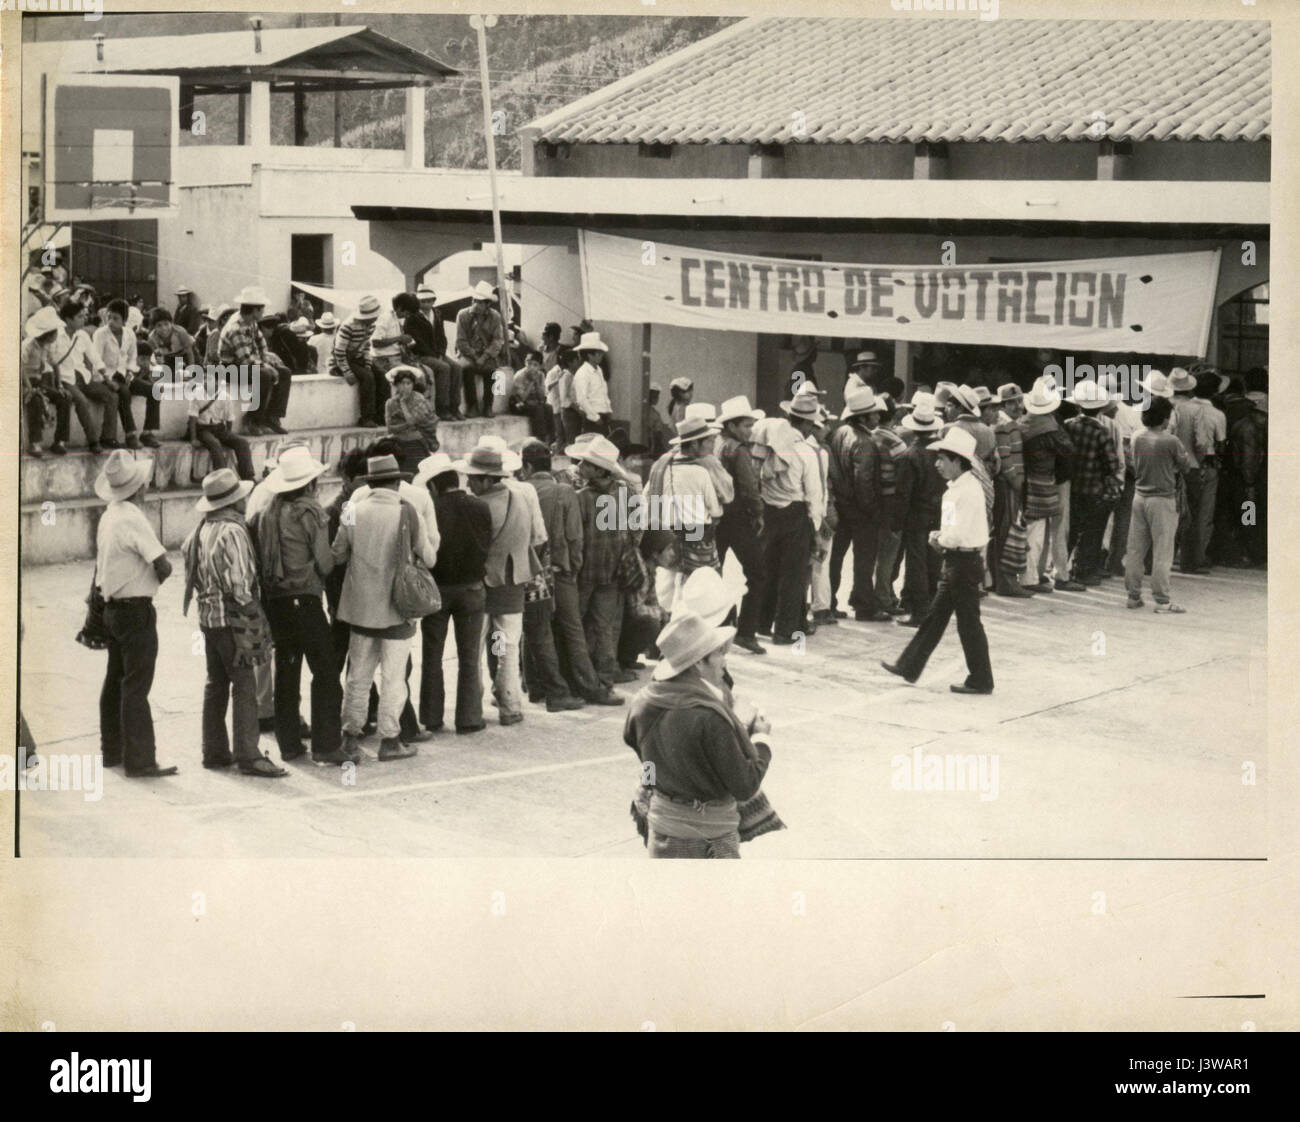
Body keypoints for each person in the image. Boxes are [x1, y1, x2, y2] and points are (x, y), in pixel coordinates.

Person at [623, 611, 773, 859]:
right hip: (709, 841)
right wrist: (760, 738)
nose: (724, 661)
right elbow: (745, 785)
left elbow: (645, 756)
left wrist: (654, 786)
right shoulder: (710, 717)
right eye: (719, 653)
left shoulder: (642, 701)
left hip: (661, 832)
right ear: (698, 663)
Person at [182, 468, 287, 777]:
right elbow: (240, 584)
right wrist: (254, 614)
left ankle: (214, 751)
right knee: (244, 685)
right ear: (233, 501)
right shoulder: (233, 532)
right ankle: (248, 754)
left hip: (209, 618)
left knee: (215, 683)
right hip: (232, 618)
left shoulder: (201, 529)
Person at [332, 454, 438, 759]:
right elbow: (430, 558)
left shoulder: (352, 510)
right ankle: (390, 740)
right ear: (396, 482)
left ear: (370, 483)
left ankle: (350, 737)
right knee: (394, 678)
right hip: (397, 607)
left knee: (358, 677)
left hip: (360, 608)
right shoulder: (408, 512)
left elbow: (338, 554)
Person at [251, 449, 351, 765]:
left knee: (287, 670)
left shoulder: (266, 514)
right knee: (325, 671)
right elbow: (324, 563)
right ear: (309, 484)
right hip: (305, 601)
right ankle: (326, 745)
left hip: (276, 603)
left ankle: (290, 743)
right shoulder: (309, 513)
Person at [882, 427, 994, 695]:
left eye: (942, 459)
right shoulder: (962, 487)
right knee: (936, 618)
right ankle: (909, 665)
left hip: (962, 562)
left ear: (957, 461)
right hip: (961, 561)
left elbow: (956, 534)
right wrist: (943, 537)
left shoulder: (961, 492)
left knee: (968, 625)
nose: (937, 464)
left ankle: (981, 679)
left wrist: (939, 539)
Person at [518, 440, 624, 706]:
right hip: (561, 570)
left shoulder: (519, 491)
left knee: (530, 630)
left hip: (527, 573)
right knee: (573, 629)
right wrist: (573, 567)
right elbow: (575, 538)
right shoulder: (565, 492)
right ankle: (590, 686)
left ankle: (533, 685)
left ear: (526, 466)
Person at [93, 450, 178, 778]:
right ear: (137, 487)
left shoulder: (109, 515)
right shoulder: (132, 517)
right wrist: (153, 575)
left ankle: (111, 750)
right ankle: (140, 759)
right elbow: (163, 565)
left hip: (112, 608)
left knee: (115, 679)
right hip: (135, 610)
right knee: (136, 686)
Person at [452, 444, 543, 725]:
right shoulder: (522, 497)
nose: (468, 483)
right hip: (514, 581)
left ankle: (473, 709)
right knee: (506, 647)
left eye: (472, 478)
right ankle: (510, 706)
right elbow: (536, 539)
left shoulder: (478, 507)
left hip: (482, 583)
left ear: (486, 479)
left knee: (474, 650)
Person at [417, 453, 491, 734]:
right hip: (472, 588)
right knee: (469, 657)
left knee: (432, 654)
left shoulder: (432, 509)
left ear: (433, 485)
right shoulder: (481, 506)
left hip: (438, 590)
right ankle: (470, 718)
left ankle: (432, 717)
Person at [753, 391, 823, 643]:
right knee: (792, 575)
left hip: (770, 511)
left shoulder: (770, 446)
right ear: (806, 424)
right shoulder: (805, 451)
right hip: (795, 513)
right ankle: (785, 630)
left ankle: (762, 622)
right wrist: (816, 528)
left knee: (769, 569)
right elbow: (813, 494)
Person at [569, 435, 638, 689]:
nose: (579, 466)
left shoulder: (581, 497)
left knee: (577, 623)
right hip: (614, 570)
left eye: (586, 464)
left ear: (599, 471)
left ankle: (579, 675)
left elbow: (576, 536)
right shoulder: (626, 491)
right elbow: (637, 527)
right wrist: (627, 549)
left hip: (585, 571)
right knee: (605, 625)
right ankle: (606, 673)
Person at [642, 414, 726, 616]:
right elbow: (715, 509)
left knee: (666, 585)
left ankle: (666, 622)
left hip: (666, 535)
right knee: (695, 589)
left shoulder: (659, 467)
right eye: (708, 441)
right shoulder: (700, 472)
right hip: (696, 535)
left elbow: (645, 499)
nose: (711, 445)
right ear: (694, 444)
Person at [1124, 395, 1197, 612]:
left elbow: (1132, 463)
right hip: (1163, 499)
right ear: (1165, 418)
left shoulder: (1137, 436)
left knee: (1135, 550)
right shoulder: (1171, 441)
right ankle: (1162, 600)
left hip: (1139, 496)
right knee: (1163, 552)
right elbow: (1185, 466)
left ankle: (1133, 596)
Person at [827, 385, 889, 622]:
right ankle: (864, 605)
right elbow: (863, 481)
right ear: (862, 417)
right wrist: (872, 509)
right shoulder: (865, 442)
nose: (878, 417)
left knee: (836, 558)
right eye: (874, 414)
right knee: (864, 560)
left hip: (841, 505)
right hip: (860, 510)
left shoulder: (839, 433)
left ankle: (829, 602)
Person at [50, 297, 140, 454]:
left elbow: (95, 358)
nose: (84, 319)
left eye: (84, 315)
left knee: (112, 396)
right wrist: (57, 383)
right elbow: (51, 361)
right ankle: (93, 441)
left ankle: (108, 437)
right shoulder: (56, 336)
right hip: (65, 378)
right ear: (68, 320)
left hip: (83, 377)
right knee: (82, 401)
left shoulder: (82, 335)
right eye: (80, 316)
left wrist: (107, 379)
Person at [715, 396, 767, 653]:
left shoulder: (716, 444)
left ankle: (720, 626)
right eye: (746, 425)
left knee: (714, 574)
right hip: (737, 518)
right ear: (732, 425)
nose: (750, 430)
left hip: (715, 518)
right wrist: (758, 513)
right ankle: (746, 632)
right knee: (757, 573)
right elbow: (749, 487)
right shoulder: (739, 450)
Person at [1017, 377, 1074, 594]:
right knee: (1038, 533)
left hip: (1025, 479)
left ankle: (1035, 574)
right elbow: (1067, 450)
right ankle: (1030, 578)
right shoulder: (1050, 428)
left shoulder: (1023, 423)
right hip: (1043, 483)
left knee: (1032, 530)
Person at [893, 394, 947, 626]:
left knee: (916, 563)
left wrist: (897, 521)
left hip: (917, 514)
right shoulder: (941, 452)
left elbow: (903, 494)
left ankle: (920, 612)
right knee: (933, 561)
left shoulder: (910, 456)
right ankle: (931, 608)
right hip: (938, 512)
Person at [1063, 380, 1122, 585]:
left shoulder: (1068, 425)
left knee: (1070, 530)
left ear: (1078, 406)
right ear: (1100, 408)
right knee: (1092, 532)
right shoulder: (1101, 431)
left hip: (1071, 486)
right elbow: (1112, 464)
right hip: (1094, 489)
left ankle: (1061, 568)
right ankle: (1083, 571)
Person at [219, 286, 289, 437]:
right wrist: (266, 366)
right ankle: (252, 420)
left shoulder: (251, 321)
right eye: (262, 309)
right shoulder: (235, 327)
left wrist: (267, 358)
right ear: (255, 310)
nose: (263, 312)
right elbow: (245, 359)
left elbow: (260, 344)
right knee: (264, 375)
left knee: (284, 372)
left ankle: (272, 416)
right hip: (229, 368)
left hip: (245, 364)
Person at [93, 298, 161, 449]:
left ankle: (148, 433)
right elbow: (96, 360)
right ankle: (131, 435)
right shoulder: (100, 334)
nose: (111, 321)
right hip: (106, 376)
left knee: (155, 391)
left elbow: (132, 357)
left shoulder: (129, 333)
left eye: (115, 318)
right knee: (124, 393)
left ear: (124, 320)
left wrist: (130, 372)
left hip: (124, 375)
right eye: (109, 317)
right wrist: (108, 379)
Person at [989, 383, 1031, 597]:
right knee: (1006, 534)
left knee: (1002, 532)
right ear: (1002, 405)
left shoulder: (1007, 423)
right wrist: (1017, 485)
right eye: (1011, 402)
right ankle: (1006, 583)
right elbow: (1006, 462)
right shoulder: (1004, 426)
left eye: (1019, 401)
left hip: (1009, 485)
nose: (1017, 406)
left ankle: (998, 580)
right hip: (1008, 486)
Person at [187, 368, 255, 480]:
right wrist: (193, 438)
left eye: (209, 379)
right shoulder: (197, 393)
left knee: (242, 443)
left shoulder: (225, 396)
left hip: (219, 428)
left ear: (216, 381)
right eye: (204, 378)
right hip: (203, 429)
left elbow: (229, 418)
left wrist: (228, 436)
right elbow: (192, 417)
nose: (206, 381)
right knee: (214, 444)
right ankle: (224, 478)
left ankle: (248, 476)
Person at [329, 294, 383, 427]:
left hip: (358, 358)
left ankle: (381, 415)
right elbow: (339, 351)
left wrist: (368, 363)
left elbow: (366, 346)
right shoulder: (348, 326)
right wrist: (347, 372)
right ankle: (366, 417)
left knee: (381, 375)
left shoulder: (371, 325)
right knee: (367, 377)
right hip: (342, 360)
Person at [456, 281, 507, 417]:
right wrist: (474, 356)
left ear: (487, 304)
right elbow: (461, 340)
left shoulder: (495, 316)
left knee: (491, 371)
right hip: (468, 353)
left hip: (487, 353)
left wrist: (484, 356)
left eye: (480, 302)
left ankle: (488, 406)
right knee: (466, 369)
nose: (476, 304)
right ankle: (472, 406)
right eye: (474, 301)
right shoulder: (463, 315)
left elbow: (497, 340)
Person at [384, 364, 439, 475]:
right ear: (396, 385)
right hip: (397, 441)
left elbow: (412, 421)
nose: (405, 387)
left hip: (416, 441)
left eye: (408, 383)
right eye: (401, 383)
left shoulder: (419, 399)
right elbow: (390, 428)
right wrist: (406, 426)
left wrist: (403, 404)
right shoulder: (390, 403)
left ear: (413, 385)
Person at [572, 331, 613, 434]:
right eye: (598, 353)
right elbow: (582, 399)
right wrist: (595, 417)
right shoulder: (583, 373)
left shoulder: (599, 370)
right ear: (589, 355)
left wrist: (608, 410)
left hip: (603, 415)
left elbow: (603, 392)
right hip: (593, 418)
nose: (601, 355)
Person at [510, 350, 551, 439]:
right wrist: (532, 382)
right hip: (518, 404)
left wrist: (537, 383)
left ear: (540, 366)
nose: (531, 367)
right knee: (538, 409)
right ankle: (540, 438)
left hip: (533, 402)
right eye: (529, 364)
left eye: (535, 365)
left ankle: (551, 438)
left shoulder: (540, 375)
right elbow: (522, 398)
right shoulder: (520, 375)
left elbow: (542, 397)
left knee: (548, 408)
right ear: (525, 363)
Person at [306, 311, 338, 376]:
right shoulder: (338, 339)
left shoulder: (313, 339)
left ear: (321, 327)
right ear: (334, 327)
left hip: (318, 373)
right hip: (334, 373)